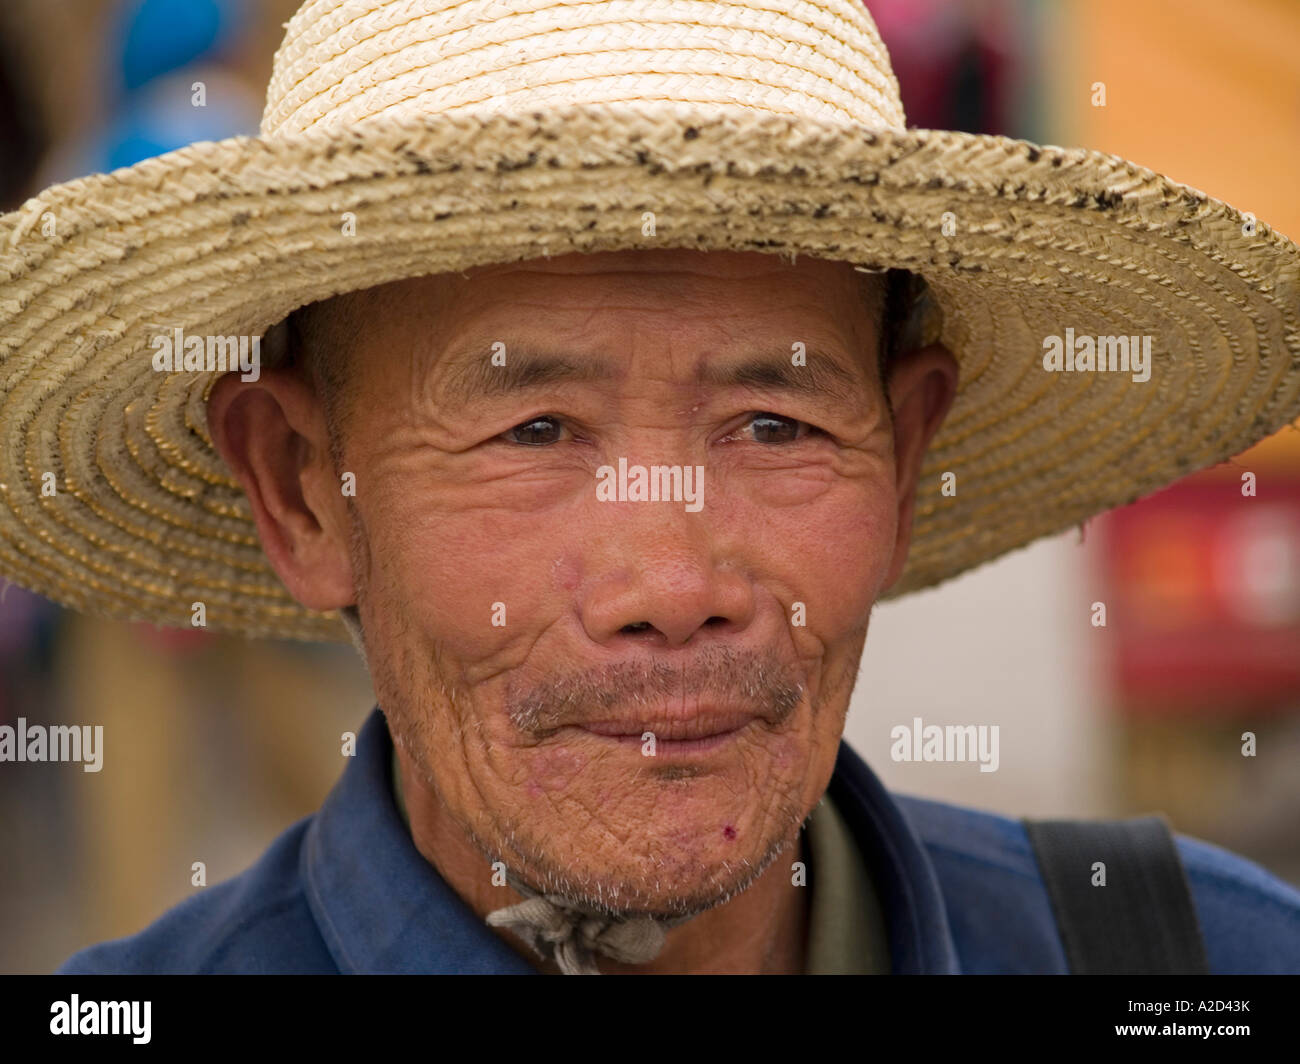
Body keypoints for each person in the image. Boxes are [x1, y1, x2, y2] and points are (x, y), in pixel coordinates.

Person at [3, 0, 1297, 974]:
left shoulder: (1190, 967)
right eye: (536, 429)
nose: (674, 585)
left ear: (904, 459)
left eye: (777, 425)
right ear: (300, 491)